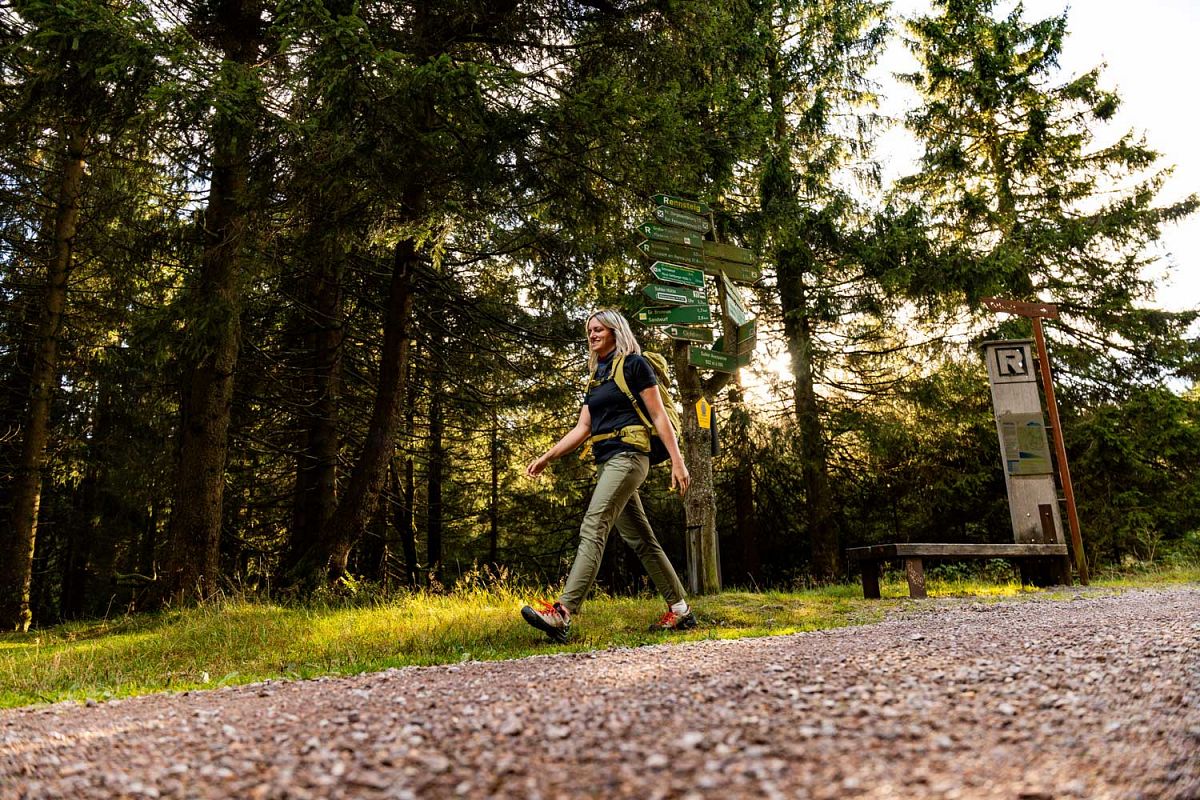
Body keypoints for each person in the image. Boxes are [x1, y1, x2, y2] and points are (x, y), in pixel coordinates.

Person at [521, 309, 696, 643]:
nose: (592, 334)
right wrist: (547, 457)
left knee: (594, 524)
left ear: (616, 331)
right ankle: (681, 610)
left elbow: (659, 417)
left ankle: (563, 612)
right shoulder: (597, 376)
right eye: (589, 330)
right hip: (608, 462)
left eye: (599, 329)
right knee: (641, 540)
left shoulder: (634, 365)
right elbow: (582, 428)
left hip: (629, 457)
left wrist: (678, 460)